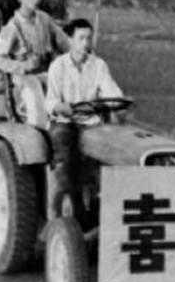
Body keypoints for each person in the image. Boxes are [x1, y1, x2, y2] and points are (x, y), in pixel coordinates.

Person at [43, 18, 124, 214]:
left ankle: (102, 203)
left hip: (91, 122)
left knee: (110, 153)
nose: (86, 43)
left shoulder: (98, 65)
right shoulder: (58, 66)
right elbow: (50, 101)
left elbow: (112, 92)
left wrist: (114, 102)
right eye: (81, 38)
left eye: (88, 38)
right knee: (65, 153)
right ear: (70, 40)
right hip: (66, 121)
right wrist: (62, 107)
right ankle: (63, 204)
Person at [0, 0, 70, 127]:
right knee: (34, 96)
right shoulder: (12, 27)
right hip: (24, 79)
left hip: (48, 73)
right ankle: (37, 131)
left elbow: (64, 42)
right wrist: (25, 65)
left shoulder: (45, 19)